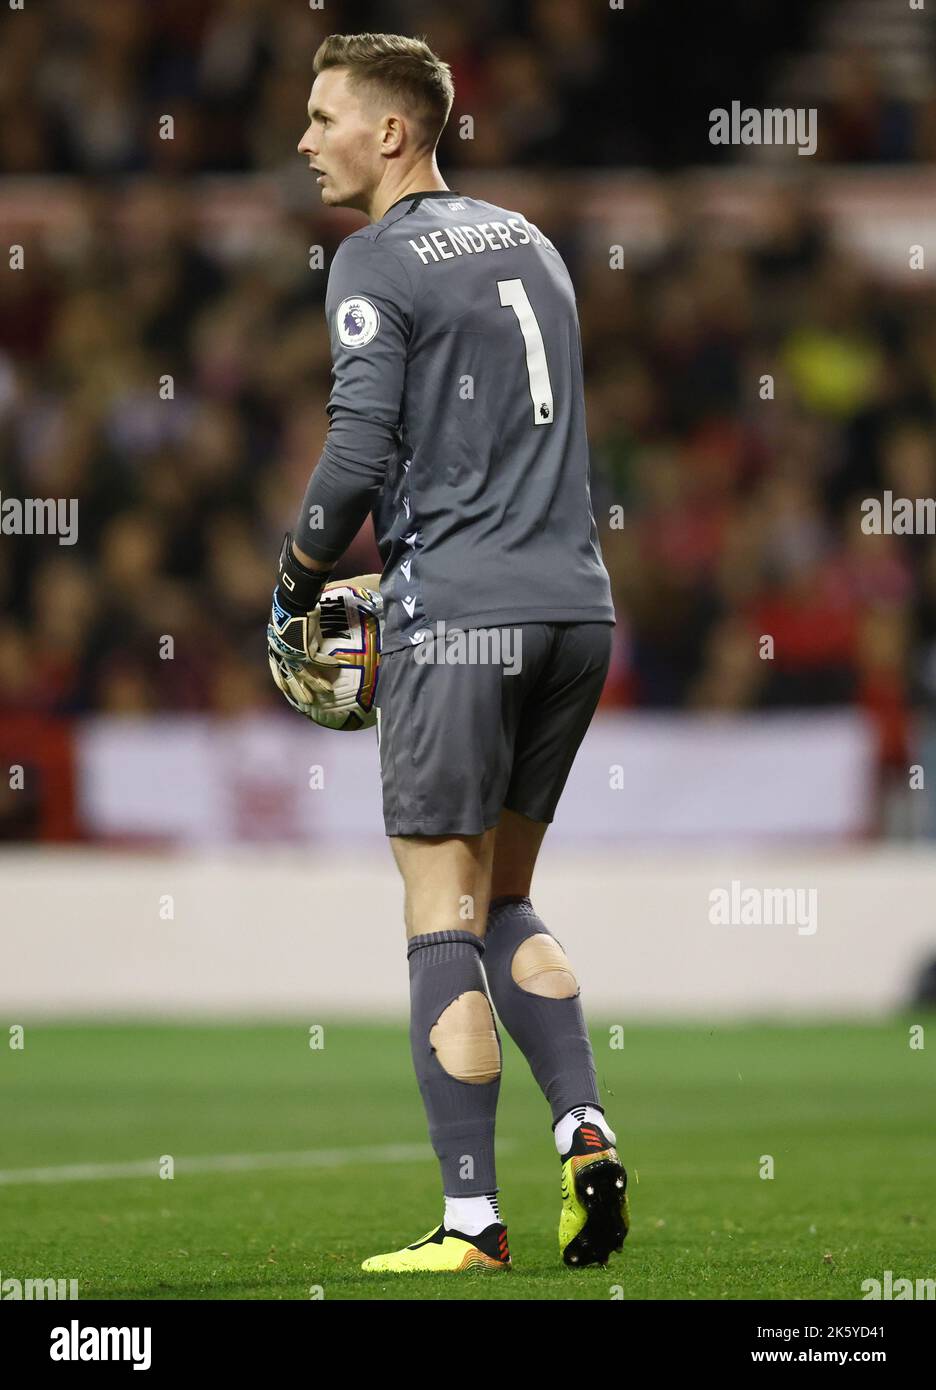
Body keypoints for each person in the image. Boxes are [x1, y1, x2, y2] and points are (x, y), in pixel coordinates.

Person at [267, 31, 628, 1273]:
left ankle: (472, 1219)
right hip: (579, 607)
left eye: (324, 118)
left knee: (441, 912)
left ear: (395, 133)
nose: (305, 141)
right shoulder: (528, 239)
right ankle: (585, 1129)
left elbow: (356, 453)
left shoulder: (374, 258)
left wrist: (294, 584)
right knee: (508, 893)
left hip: (462, 615)